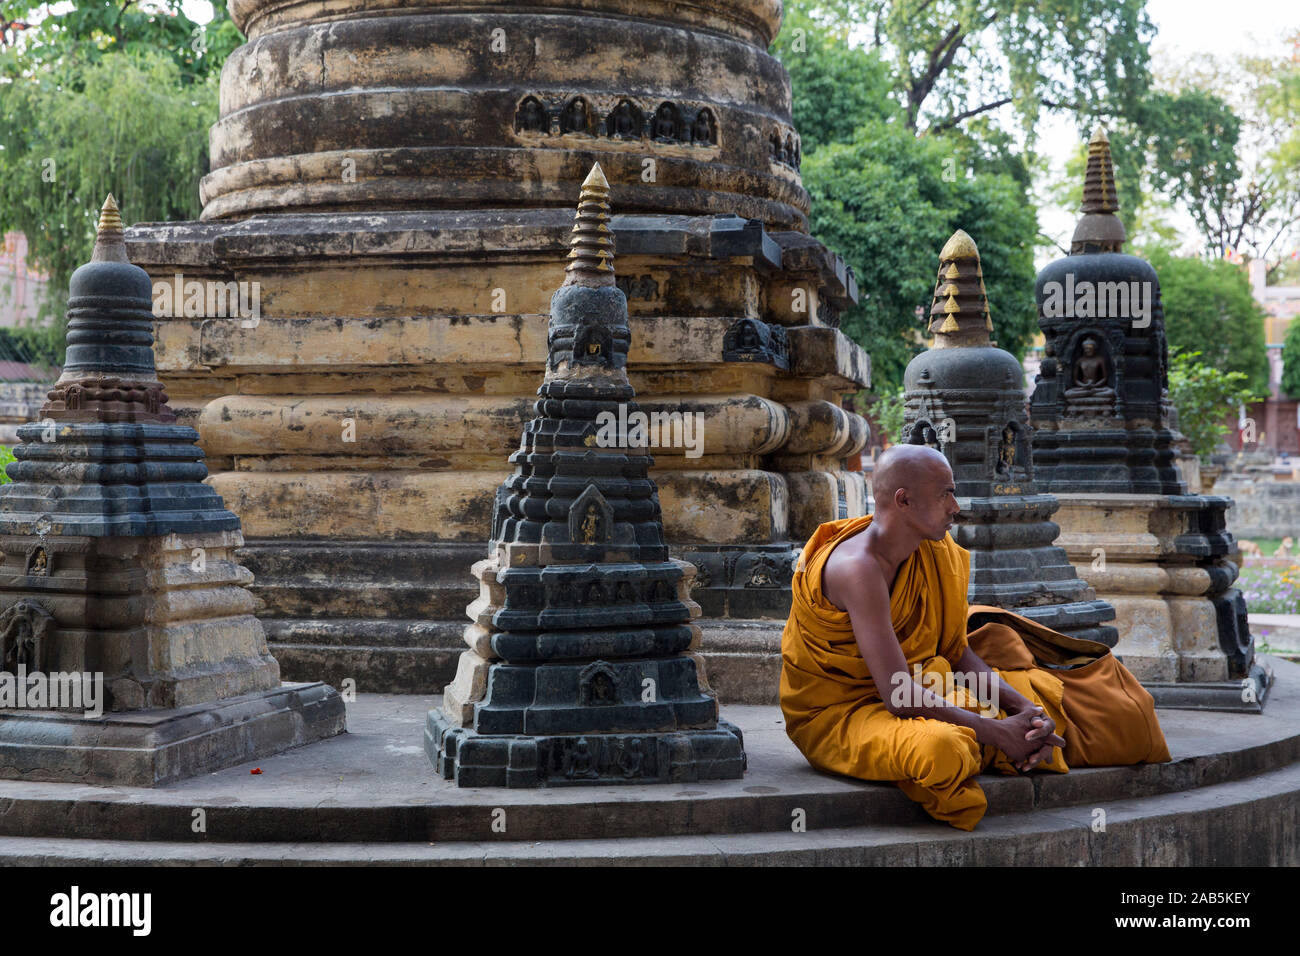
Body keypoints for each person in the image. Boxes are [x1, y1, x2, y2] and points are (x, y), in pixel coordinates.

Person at [780, 444, 1170, 830]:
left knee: (1055, 710)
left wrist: (1021, 710)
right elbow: (899, 696)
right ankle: (993, 741)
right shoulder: (858, 569)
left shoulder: (933, 551)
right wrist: (999, 733)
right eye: (945, 494)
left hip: (920, 686)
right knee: (942, 749)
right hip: (840, 716)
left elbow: (954, 650)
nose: (956, 506)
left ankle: (1003, 735)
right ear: (904, 501)